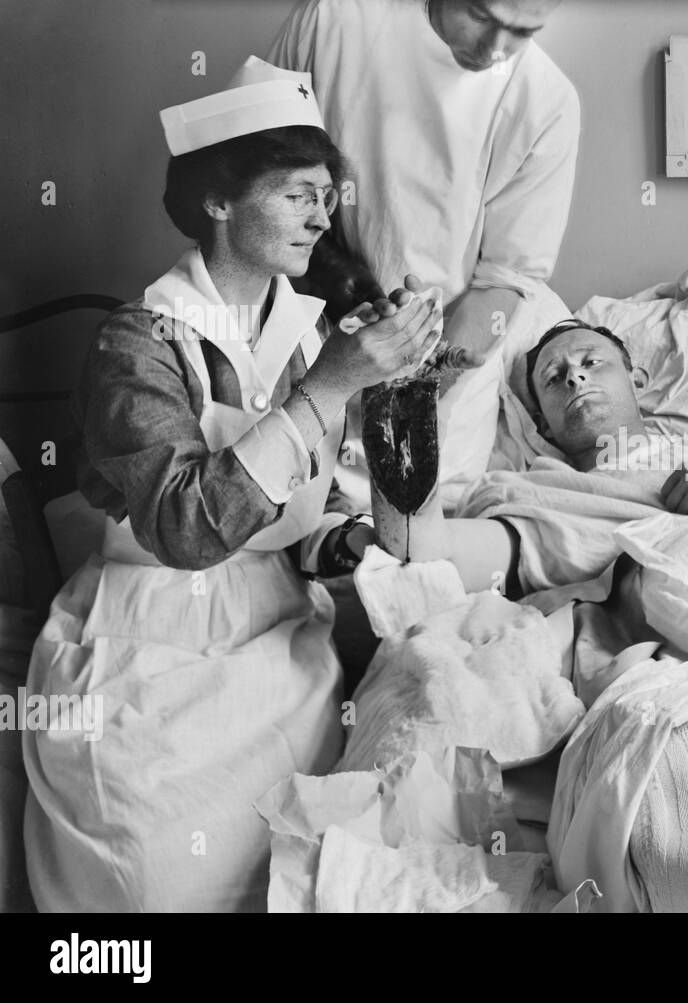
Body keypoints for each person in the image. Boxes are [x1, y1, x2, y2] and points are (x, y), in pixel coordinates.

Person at [22, 57, 442, 912]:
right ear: (217, 201)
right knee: (148, 866)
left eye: (329, 195)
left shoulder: (311, 333)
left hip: (283, 635)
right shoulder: (136, 344)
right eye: (298, 193)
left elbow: (306, 515)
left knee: (339, 839)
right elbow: (184, 528)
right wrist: (329, 385)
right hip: (151, 630)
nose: (324, 217)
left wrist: (352, 532)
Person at [268, 0, 580, 509]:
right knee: (285, 527)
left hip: (439, 392)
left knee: (409, 553)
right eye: (481, 16)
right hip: (301, 344)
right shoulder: (334, 21)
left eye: (522, 31)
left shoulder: (546, 102)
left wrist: (422, 375)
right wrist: (337, 278)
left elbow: (506, 278)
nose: (496, 49)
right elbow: (256, 162)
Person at [356, 321, 688, 597]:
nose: (575, 376)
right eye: (553, 378)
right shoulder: (540, 492)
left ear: (637, 381)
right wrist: (403, 415)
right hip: (684, 638)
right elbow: (434, 554)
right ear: (540, 422)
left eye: (592, 362)